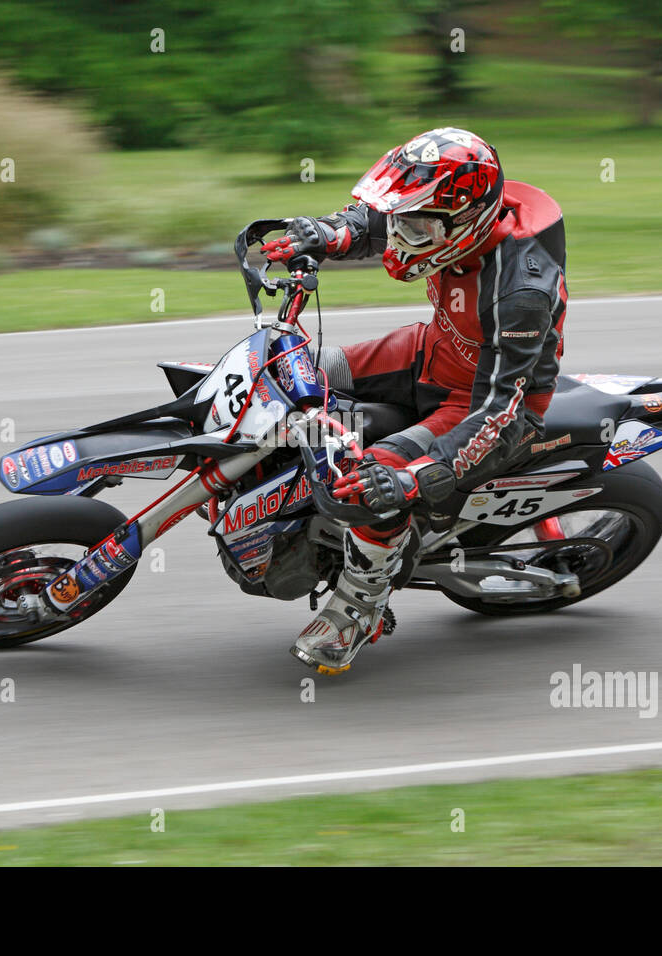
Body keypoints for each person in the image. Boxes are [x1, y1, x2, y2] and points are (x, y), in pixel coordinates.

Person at [262, 127, 568, 674]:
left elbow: (496, 414)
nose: (399, 237)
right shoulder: (455, 214)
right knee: (288, 372)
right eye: (401, 220)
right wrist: (326, 234)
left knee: (361, 486)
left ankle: (361, 603)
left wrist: (411, 478)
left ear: (464, 223)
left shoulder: (520, 291)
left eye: (415, 227)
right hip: (433, 349)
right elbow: (382, 217)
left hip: (483, 405)